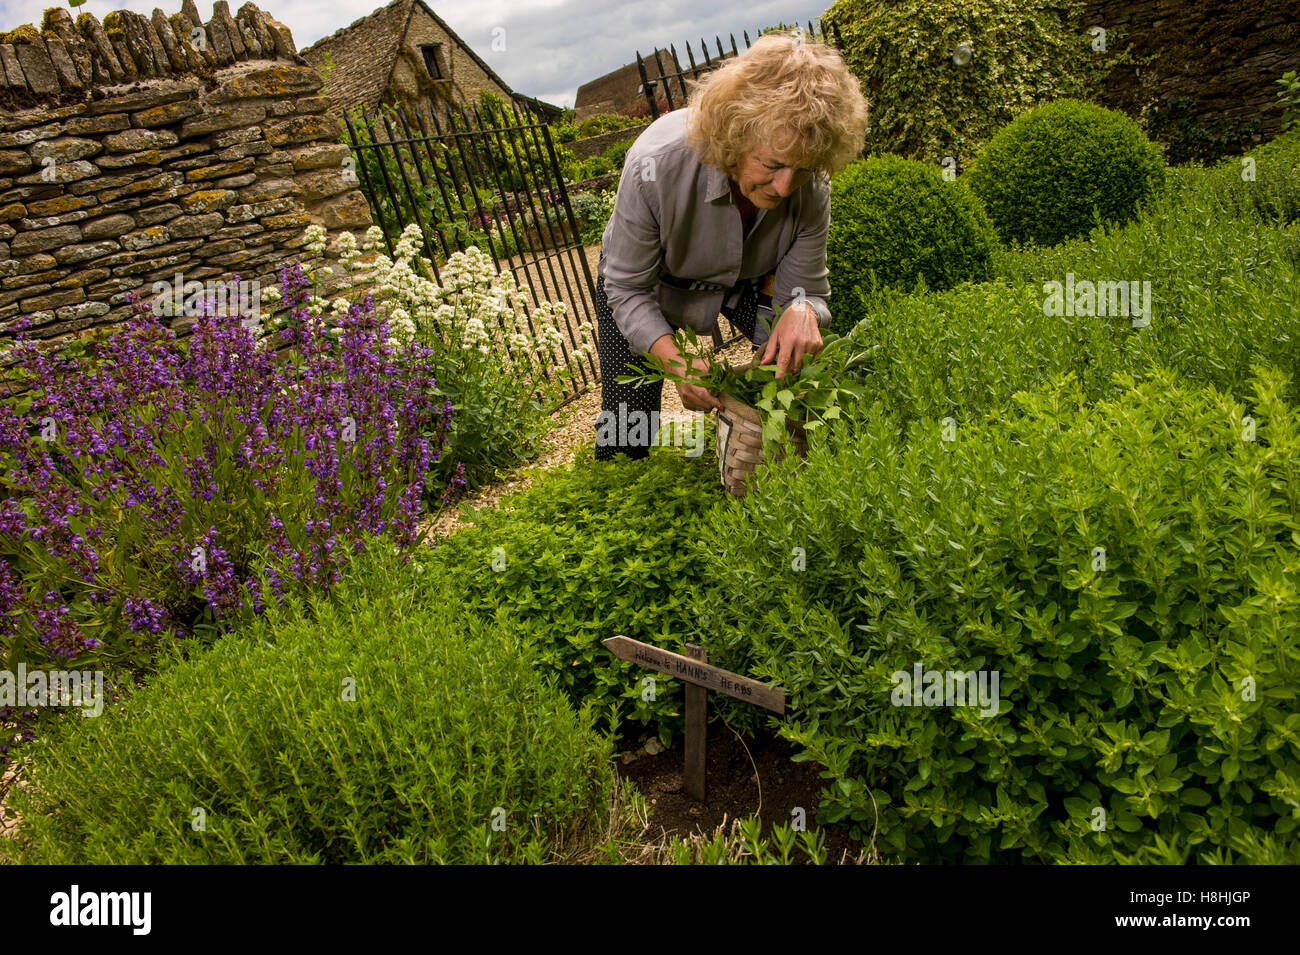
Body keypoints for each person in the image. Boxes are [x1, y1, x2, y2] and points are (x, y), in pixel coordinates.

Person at [592, 31, 869, 460]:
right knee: (627, 427)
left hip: (745, 280)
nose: (784, 187)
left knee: (791, 372)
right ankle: (619, 472)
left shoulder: (811, 186)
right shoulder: (656, 166)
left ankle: (773, 469)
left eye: (802, 169)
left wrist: (803, 309)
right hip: (648, 285)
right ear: (735, 138)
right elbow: (627, 288)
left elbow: (806, 291)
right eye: (772, 164)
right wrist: (678, 365)